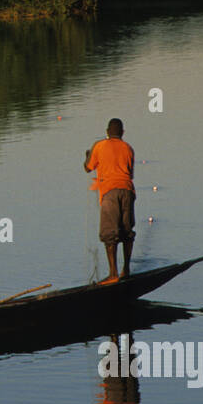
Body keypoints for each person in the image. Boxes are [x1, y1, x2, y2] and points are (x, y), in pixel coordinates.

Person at [83, 118, 135, 284]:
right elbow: (130, 173)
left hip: (109, 192)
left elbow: (88, 167)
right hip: (127, 190)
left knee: (109, 234)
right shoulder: (128, 148)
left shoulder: (99, 146)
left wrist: (87, 155)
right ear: (123, 133)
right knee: (126, 231)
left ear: (107, 132)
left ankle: (113, 274)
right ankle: (126, 270)